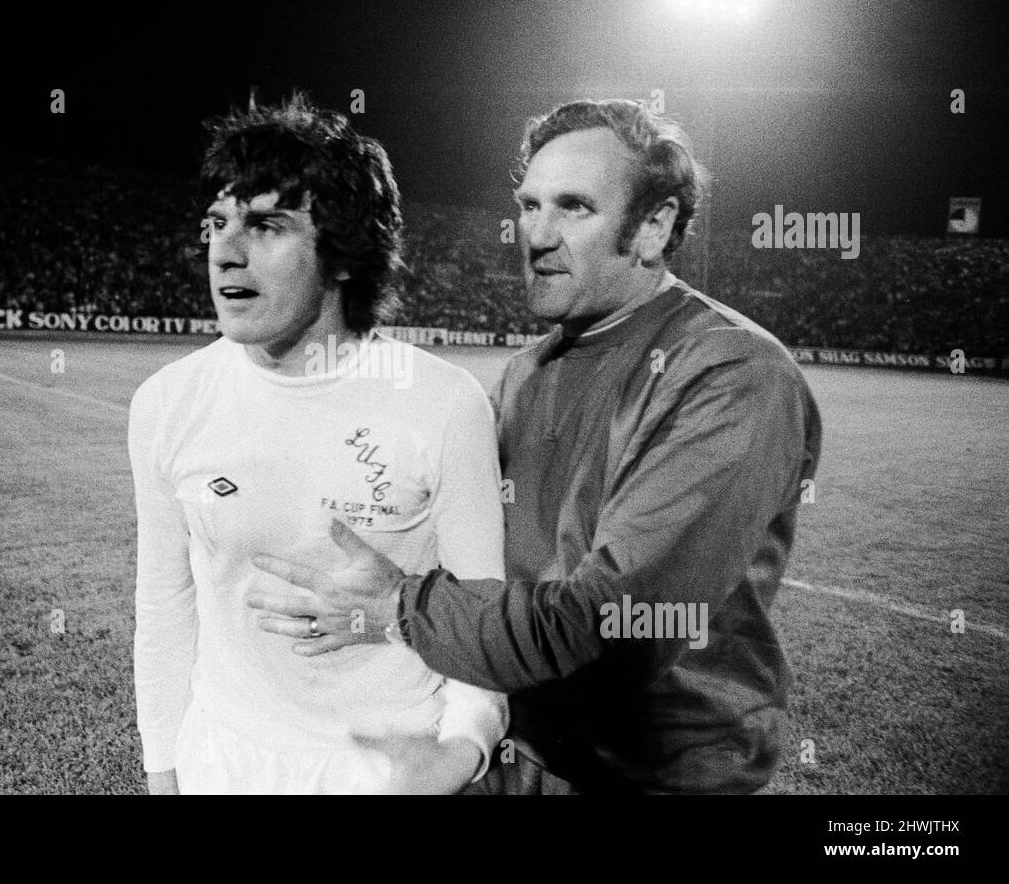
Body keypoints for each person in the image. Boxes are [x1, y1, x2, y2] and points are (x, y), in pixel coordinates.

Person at [250, 98, 824, 794]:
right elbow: (473, 561)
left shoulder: (730, 372)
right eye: (529, 204)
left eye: (574, 207)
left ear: (654, 225)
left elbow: (617, 629)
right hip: (519, 754)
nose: (536, 233)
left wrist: (397, 606)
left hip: (654, 778)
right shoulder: (526, 373)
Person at [129, 93, 508, 794]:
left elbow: (480, 620)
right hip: (225, 762)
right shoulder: (166, 404)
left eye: (266, 225)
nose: (225, 252)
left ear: (341, 253)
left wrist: (460, 752)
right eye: (216, 223)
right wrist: (163, 771)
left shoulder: (444, 403)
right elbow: (164, 608)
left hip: (392, 768)